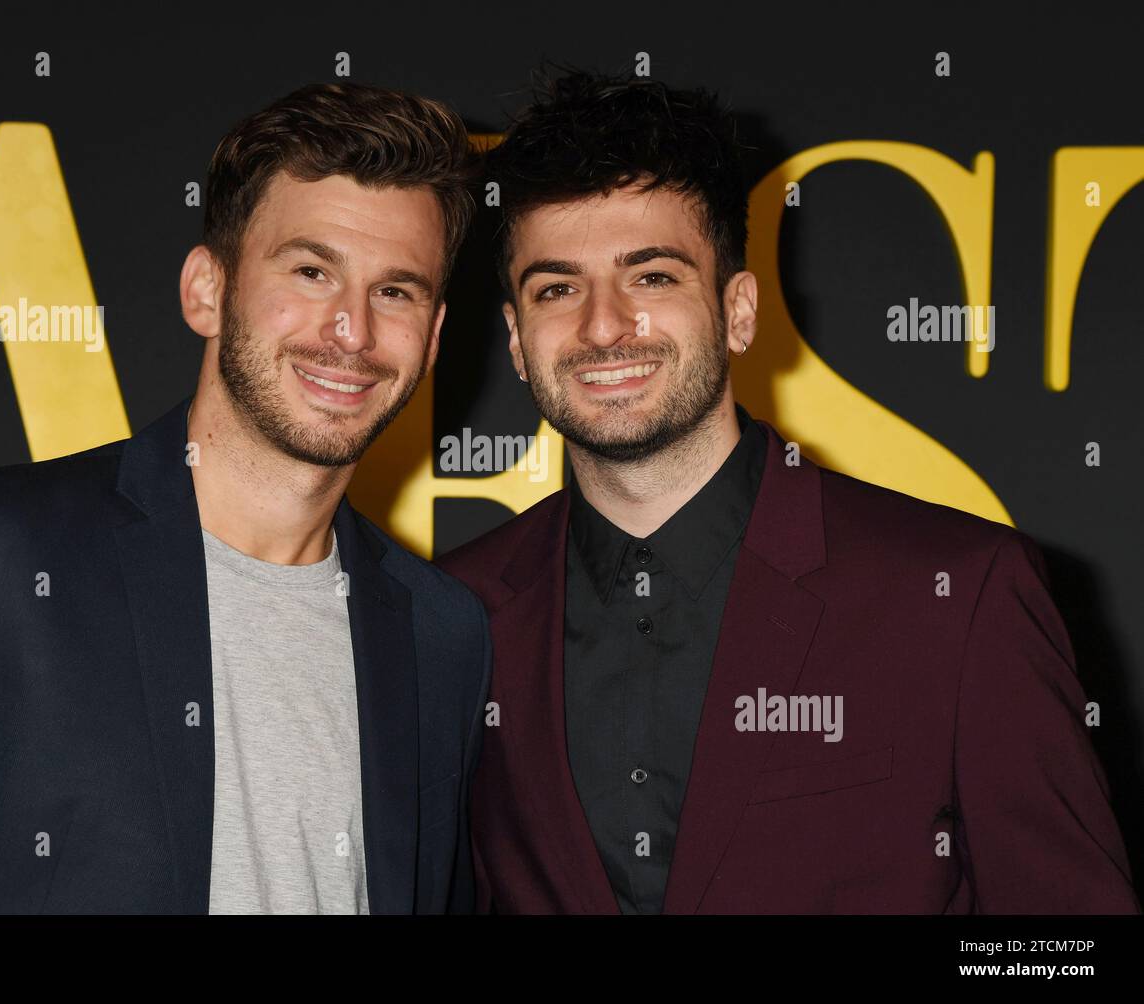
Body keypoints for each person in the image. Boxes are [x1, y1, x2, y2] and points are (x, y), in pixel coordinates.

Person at [438, 70, 1139, 914]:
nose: (602, 325)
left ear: (738, 310)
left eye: (652, 277)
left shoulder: (958, 594)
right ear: (516, 339)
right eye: (557, 288)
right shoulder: (455, 614)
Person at [0, 82, 490, 915]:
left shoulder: (442, 634)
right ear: (206, 290)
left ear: (432, 339)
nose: (352, 331)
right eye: (310, 270)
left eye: (395, 291)